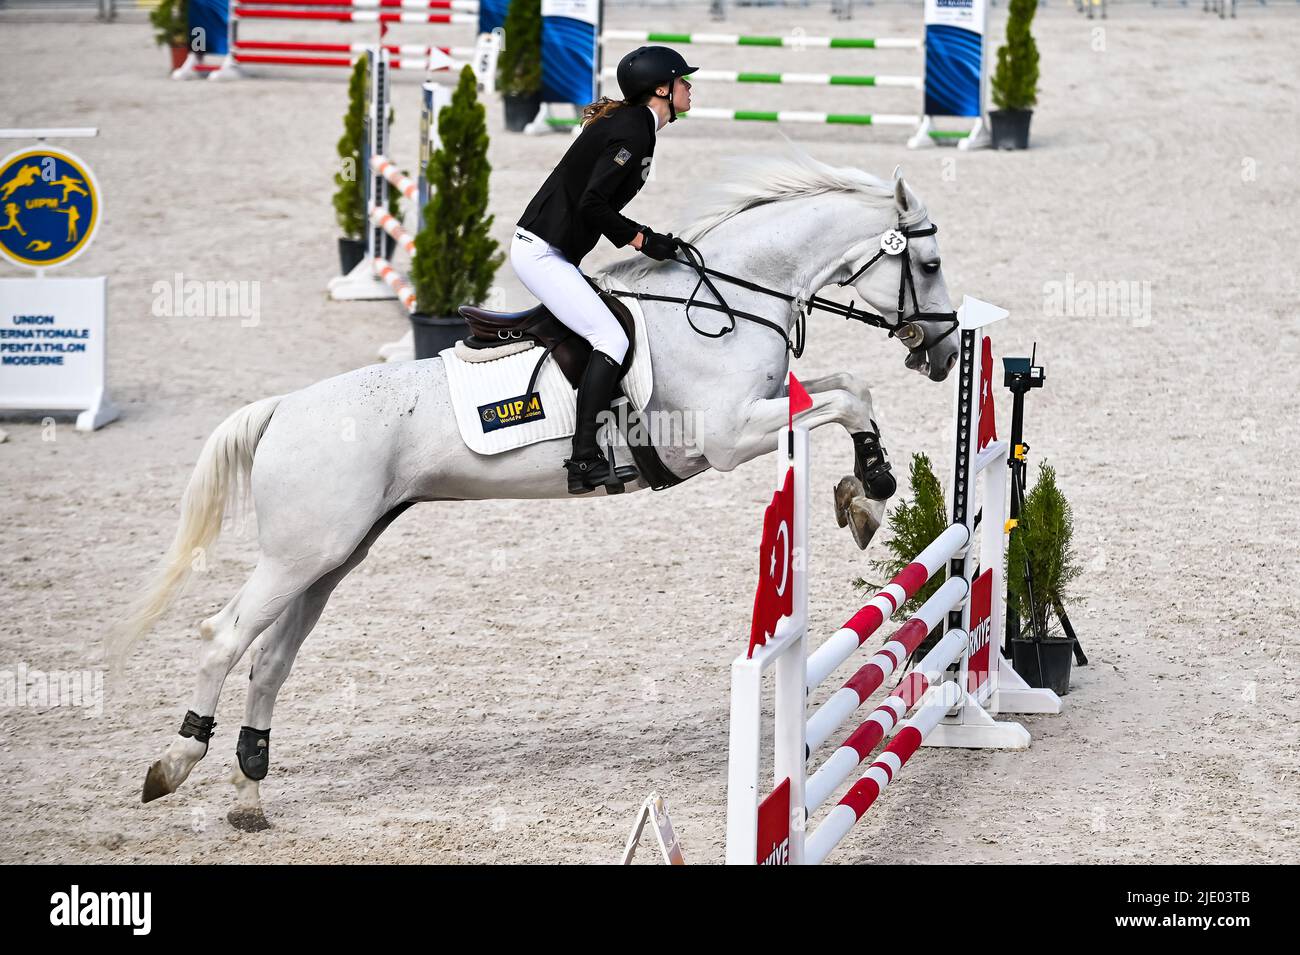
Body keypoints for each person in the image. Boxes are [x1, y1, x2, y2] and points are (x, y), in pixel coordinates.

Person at [513, 46, 697, 494]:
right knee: (611, 338)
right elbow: (591, 203)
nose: (689, 87)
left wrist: (646, 237)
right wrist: (643, 240)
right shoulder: (633, 131)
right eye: (682, 80)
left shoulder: (636, 125)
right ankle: (583, 459)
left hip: (552, 251)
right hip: (541, 254)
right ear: (662, 90)